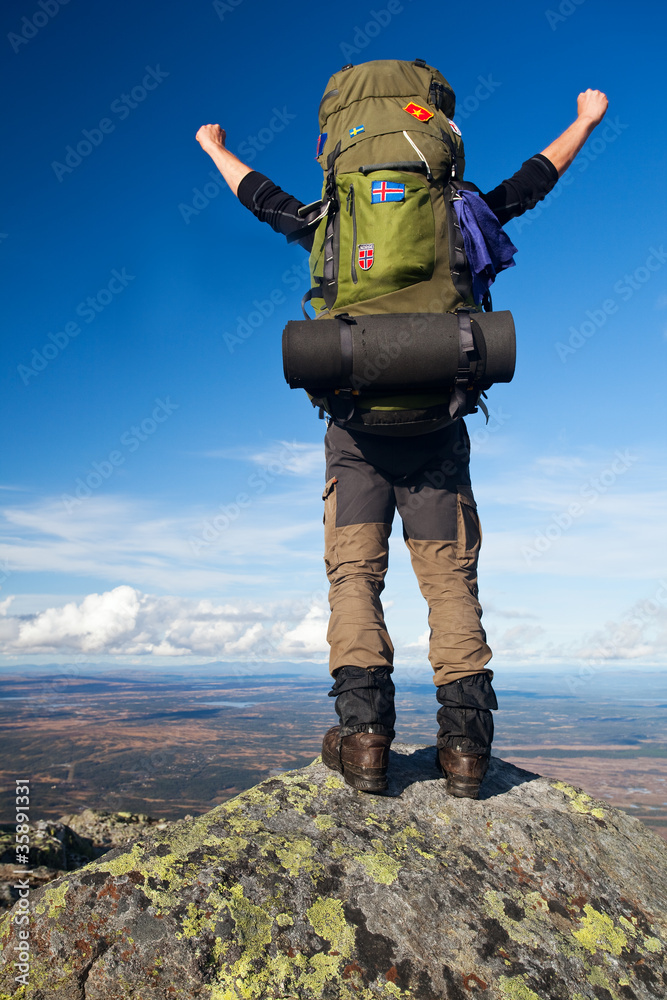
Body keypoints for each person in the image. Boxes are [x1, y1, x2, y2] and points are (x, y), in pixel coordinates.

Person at [196, 80, 608, 798]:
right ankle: (466, 751)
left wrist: (214, 149)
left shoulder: (330, 219)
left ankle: (363, 742)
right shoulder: (460, 212)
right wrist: (585, 120)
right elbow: (531, 183)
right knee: (449, 580)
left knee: (354, 576)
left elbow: (260, 198)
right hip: (437, 429)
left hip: (355, 432)